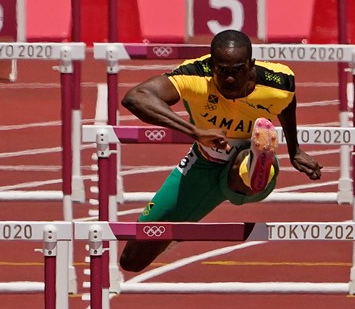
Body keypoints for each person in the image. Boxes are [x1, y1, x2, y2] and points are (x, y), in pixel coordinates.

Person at [117, 29, 323, 274]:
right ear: (211, 65)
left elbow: (286, 104)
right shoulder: (194, 74)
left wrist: (295, 149)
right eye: (222, 71)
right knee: (132, 260)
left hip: (250, 163)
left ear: (251, 66)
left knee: (243, 165)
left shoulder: (278, 82)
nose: (230, 79)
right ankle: (177, 229)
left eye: (237, 70)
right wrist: (195, 132)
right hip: (203, 163)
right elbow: (136, 97)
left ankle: (257, 160)